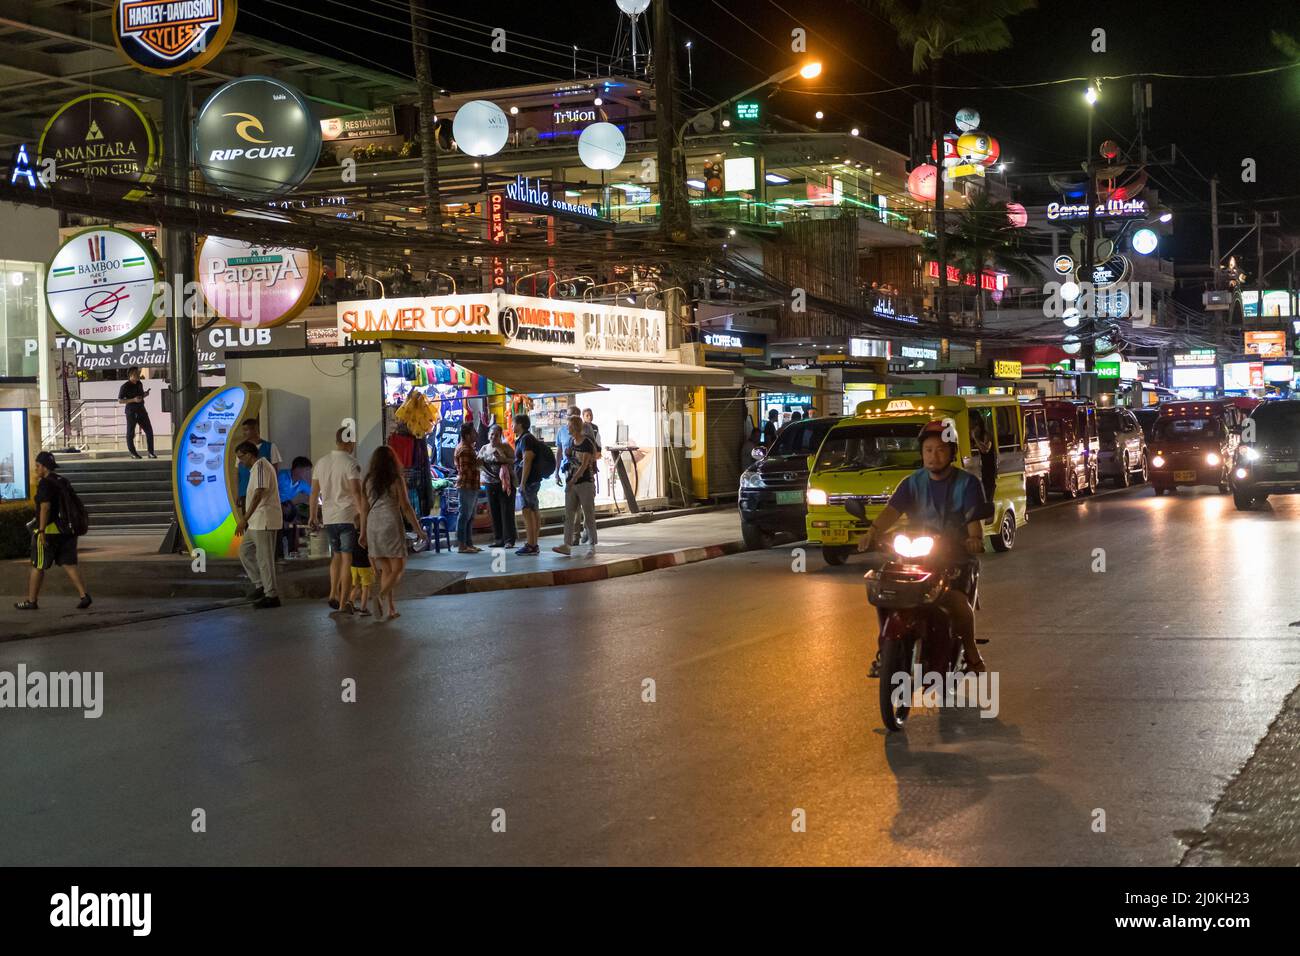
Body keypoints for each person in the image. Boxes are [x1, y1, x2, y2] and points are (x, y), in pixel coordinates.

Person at [859, 420, 988, 672]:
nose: (933, 456)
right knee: (884, 590)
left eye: (940, 450)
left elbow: (974, 523)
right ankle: (885, 649)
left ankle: (972, 653)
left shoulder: (968, 484)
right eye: (928, 450)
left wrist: (974, 539)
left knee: (957, 603)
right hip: (914, 556)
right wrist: (872, 531)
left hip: (954, 557)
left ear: (951, 453)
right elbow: (891, 511)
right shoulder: (912, 482)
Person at [14, 451, 90, 611]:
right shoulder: (62, 481)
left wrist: (41, 531)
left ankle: (31, 601)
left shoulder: (45, 483)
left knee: (37, 565)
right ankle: (84, 595)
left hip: (49, 531)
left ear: (44, 467)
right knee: (69, 563)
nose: (35, 469)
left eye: (37, 466)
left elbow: (45, 507)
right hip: (67, 531)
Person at [361, 445, 426, 620]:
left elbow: (364, 509)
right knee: (398, 568)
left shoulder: (368, 480)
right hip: (390, 523)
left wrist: (362, 533)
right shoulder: (395, 479)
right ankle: (381, 596)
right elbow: (405, 506)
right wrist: (418, 530)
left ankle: (390, 609)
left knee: (386, 570)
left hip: (373, 525)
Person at [309, 427, 364, 612]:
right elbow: (356, 492)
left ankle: (333, 593)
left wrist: (312, 515)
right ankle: (344, 603)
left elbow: (314, 493)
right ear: (349, 442)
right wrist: (363, 514)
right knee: (347, 559)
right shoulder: (351, 463)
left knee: (336, 557)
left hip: (329, 518)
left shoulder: (321, 462)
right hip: (347, 517)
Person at [234, 441, 282, 609]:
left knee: (264, 559)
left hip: (264, 519)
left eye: (241, 457)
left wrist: (244, 519)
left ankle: (271, 595)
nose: (240, 461)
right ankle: (261, 585)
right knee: (245, 552)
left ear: (249, 454)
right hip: (256, 521)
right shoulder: (254, 469)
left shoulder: (261, 466)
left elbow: (259, 493)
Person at [553, 413, 598, 558]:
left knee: (588, 514)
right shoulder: (572, 442)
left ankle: (591, 545)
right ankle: (566, 545)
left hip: (585, 482)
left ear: (576, 427)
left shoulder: (586, 443)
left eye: (569, 426)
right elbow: (572, 460)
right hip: (572, 481)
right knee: (569, 514)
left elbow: (584, 465)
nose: (567, 428)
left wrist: (572, 481)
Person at [479, 423, 516, 549]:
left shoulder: (505, 447)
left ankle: (509, 540)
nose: (493, 437)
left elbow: (515, 460)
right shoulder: (484, 448)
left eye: (496, 435)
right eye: (491, 434)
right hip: (490, 484)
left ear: (500, 436)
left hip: (504, 483)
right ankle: (498, 538)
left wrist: (502, 459)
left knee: (507, 511)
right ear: (488, 435)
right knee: (494, 512)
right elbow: (478, 462)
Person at [513, 413, 543, 556]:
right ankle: (533, 543)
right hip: (532, 480)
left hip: (529, 481)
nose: (512, 426)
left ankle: (531, 544)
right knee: (533, 510)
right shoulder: (525, 438)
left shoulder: (526, 439)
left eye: (514, 423)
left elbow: (528, 459)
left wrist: (523, 482)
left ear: (520, 424)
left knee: (528, 511)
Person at [237, 418, 281, 511]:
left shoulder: (270, 447)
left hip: (263, 492)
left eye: (246, 430)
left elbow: (275, 470)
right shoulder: (241, 450)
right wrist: (238, 493)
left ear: (255, 429)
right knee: (248, 520)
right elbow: (238, 473)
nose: (244, 433)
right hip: (245, 490)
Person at [453, 422, 482, 554]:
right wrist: (478, 464)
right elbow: (465, 470)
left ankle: (468, 543)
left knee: (469, 517)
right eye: (473, 433)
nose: (476, 434)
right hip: (466, 486)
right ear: (467, 435)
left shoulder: (468, 448)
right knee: (464, 515)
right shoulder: (465, 449)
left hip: (471, 485)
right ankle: (462, 545)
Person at [118, 368, 155, 459]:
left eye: (138, 373)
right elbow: (120, 400)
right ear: (130, 375)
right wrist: (133, 400)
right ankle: (133, 453)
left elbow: (141, 395)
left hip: (141, 410)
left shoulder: (139, 383)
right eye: (135, 374)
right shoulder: (125, 386)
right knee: (131, 433)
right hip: (131, 411)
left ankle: (151, 452)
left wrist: (145, 395)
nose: (138, 375)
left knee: (149, 431)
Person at [346, 539, 374, 616]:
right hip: (365, 566)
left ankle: (350, 602)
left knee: (357, 586)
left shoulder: (353, 535)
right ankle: (363, 609)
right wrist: (374, 568)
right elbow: (370, 555)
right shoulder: (366, 538)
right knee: (366, 587)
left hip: (354, 566)